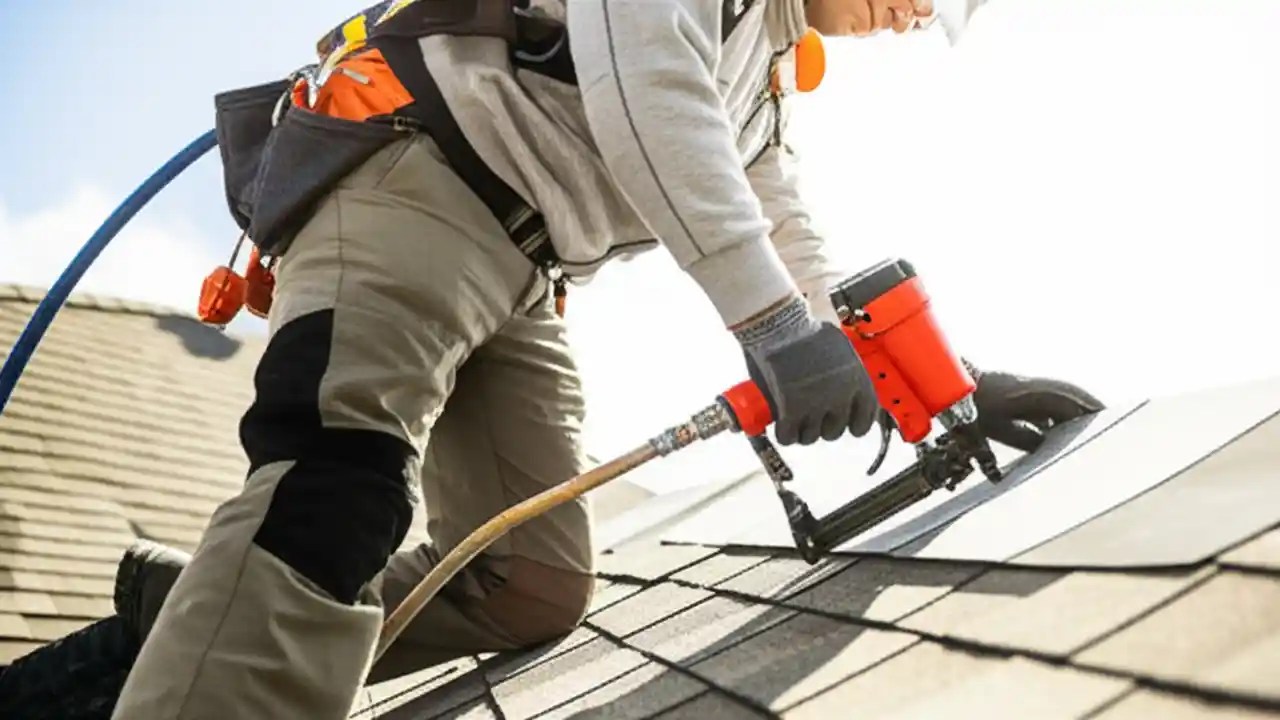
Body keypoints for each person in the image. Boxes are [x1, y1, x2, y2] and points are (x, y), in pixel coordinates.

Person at [0, 0, 1104, 718]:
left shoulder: (762, 46)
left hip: (521, 262)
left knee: (529, 582)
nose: (914, 18)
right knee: (333, 494)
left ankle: (197, 614)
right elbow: (649, 112)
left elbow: (771, 205)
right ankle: (231, 648)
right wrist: (772, 332)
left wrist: (927, 387)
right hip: (409, 189)